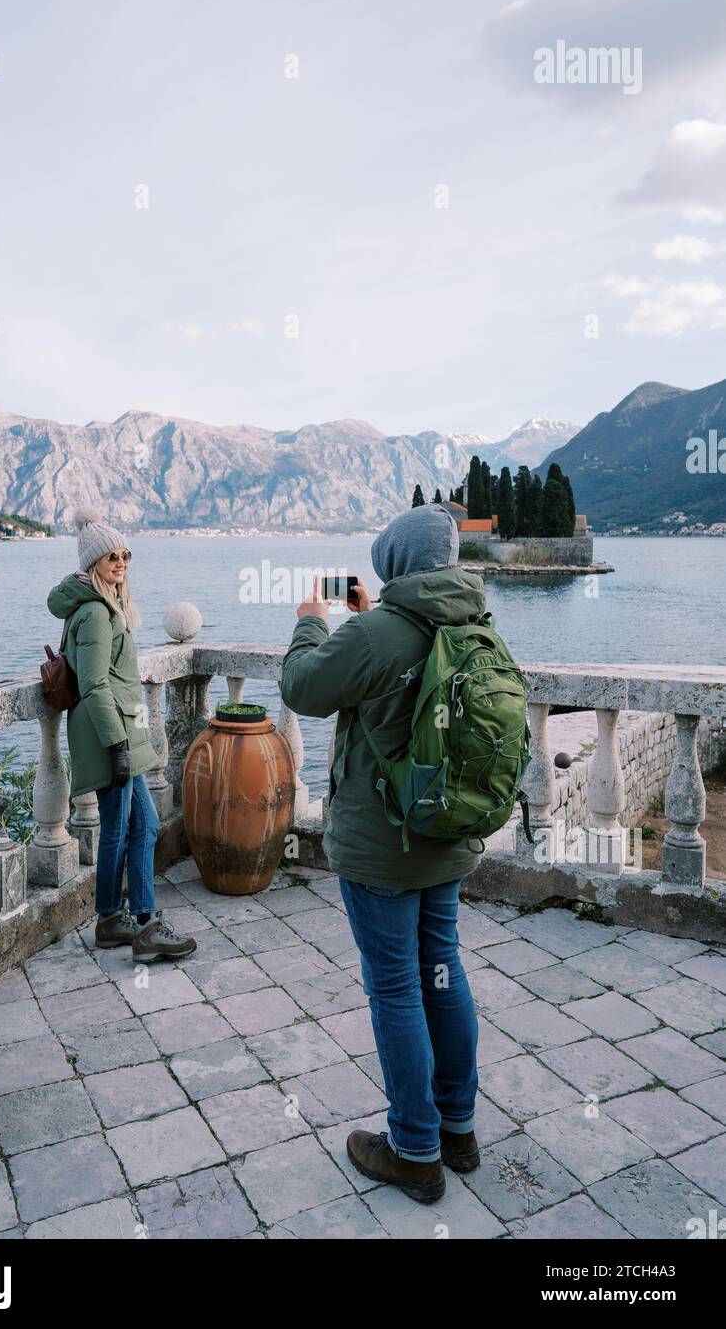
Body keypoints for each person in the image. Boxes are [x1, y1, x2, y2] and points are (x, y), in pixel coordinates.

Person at [280, 503, 484, 1203]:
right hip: (448, 835)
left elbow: (302, 687)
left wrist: (312, 618)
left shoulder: (375, 633)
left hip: (384, 844)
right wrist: (372, 617)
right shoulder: (472, 620)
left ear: (395, 564)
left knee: (396, 986)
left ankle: (414, 1150)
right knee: (444, 971)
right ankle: (457, 1128)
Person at [47, 508, 196, 963]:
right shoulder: (94, 612)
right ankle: (144, 925)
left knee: (134, 825)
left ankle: (112, 919)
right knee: (127, 826)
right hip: (110, 736)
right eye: (111, 556)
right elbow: (94, 686)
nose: (121, 562)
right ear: (94, 562)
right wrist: (117, 746)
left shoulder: (104, 605)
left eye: (126, 554)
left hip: (120, 733)